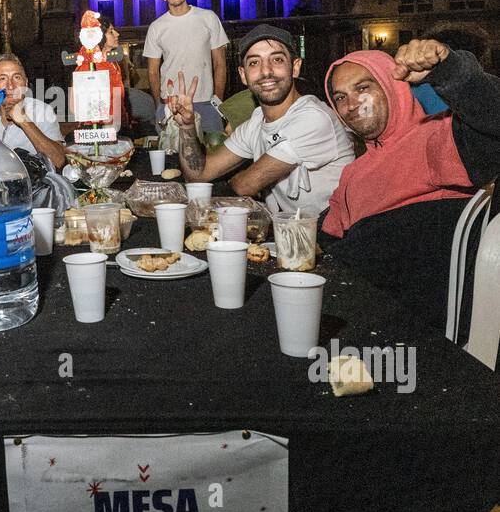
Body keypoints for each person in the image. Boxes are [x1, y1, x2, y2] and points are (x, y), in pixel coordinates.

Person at [321, 38, 500, 325]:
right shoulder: (352, 174)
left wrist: (450, 70)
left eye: (363, 88)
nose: (351, 105)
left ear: (392, 86)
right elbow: (325, 238)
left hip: (418, 317)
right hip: (352, 308)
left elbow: (493, 116)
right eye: (340, 97)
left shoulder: (435, 138)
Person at [171, 24, 354, 215]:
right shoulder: (257, 122)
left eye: (277, 59)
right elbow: (198, 174)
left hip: (332, 236)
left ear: (295, 67)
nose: (266, 71)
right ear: (243, 75)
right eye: (254, 63)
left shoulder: (313, 118)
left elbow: (246, 185)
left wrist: (235, 181)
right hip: (291, 231)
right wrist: (187, 126)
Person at [142, 0, 228, 129]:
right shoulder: (156, 27)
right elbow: (153, 72)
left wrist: (217, 101)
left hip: (206, 102)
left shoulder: (208, 18)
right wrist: (159, 105)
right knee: (173, 153)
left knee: (211, 151)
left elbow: (220, 64)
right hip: (171, 104)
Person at [0, 54, 66, 170]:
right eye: (2, 78)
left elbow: (59, 161)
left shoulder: (43, 112)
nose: (11, 85)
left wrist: (24, 122)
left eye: (17, 77)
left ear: (26, 83)